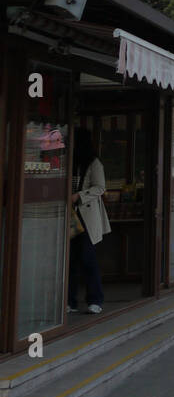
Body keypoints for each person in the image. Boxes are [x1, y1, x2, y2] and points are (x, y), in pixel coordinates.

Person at [68, 129, 108, 314]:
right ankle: (70, 301)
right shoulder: (68, 160)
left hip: (86, 217)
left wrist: (79, 196)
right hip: (70, 216)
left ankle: (95, 299)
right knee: (70, 261)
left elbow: (100, 187)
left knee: (87, 258)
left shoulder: (94, 163)